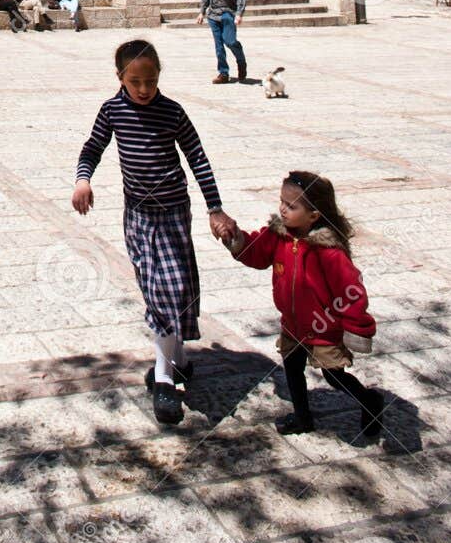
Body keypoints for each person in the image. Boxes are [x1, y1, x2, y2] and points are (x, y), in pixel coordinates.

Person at [71, 39, 235, 427]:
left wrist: (215, 208)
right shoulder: (112, 111)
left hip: (174, 213)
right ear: (120, 78)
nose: (144, 89)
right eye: (135, 81)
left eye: (151, 80)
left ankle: (165, 375)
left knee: (174, 288)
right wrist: (83, 180)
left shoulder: (172, 112)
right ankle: (173, 363)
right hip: (139, 217)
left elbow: (197, 158)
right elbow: (92, 147)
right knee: (158, 290)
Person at [219, 170, 383, 440]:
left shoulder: (329, 252)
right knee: (292, 369)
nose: (283, 209)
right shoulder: (278, 236)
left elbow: (351, 290)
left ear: (314, 215)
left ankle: (369, 401)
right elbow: (256, 253)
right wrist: (235, 238)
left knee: (334, 376)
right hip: (294, 325)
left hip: (324, 328)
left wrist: (357, 327)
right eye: (282, 202)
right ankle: (303, 417)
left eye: (291, 206)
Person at [197, 0, 247, 83]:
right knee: (219, 46)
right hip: (213, 14)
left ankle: (241, 62)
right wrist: (202, 12)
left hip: (227, 13)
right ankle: (223, 73)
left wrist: (239, 13)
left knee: (230, 41)